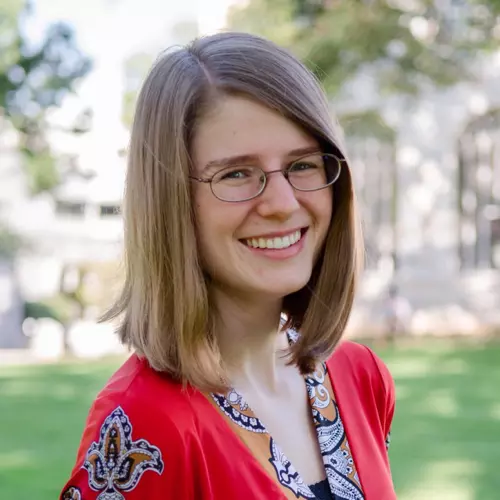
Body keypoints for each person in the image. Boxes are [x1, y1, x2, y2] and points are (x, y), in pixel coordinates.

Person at [60, 32, 396, 500]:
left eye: (302, 165)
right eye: (236, 173)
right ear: (171, 203)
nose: (282, 203)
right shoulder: (143, 426)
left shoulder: (361, 378)